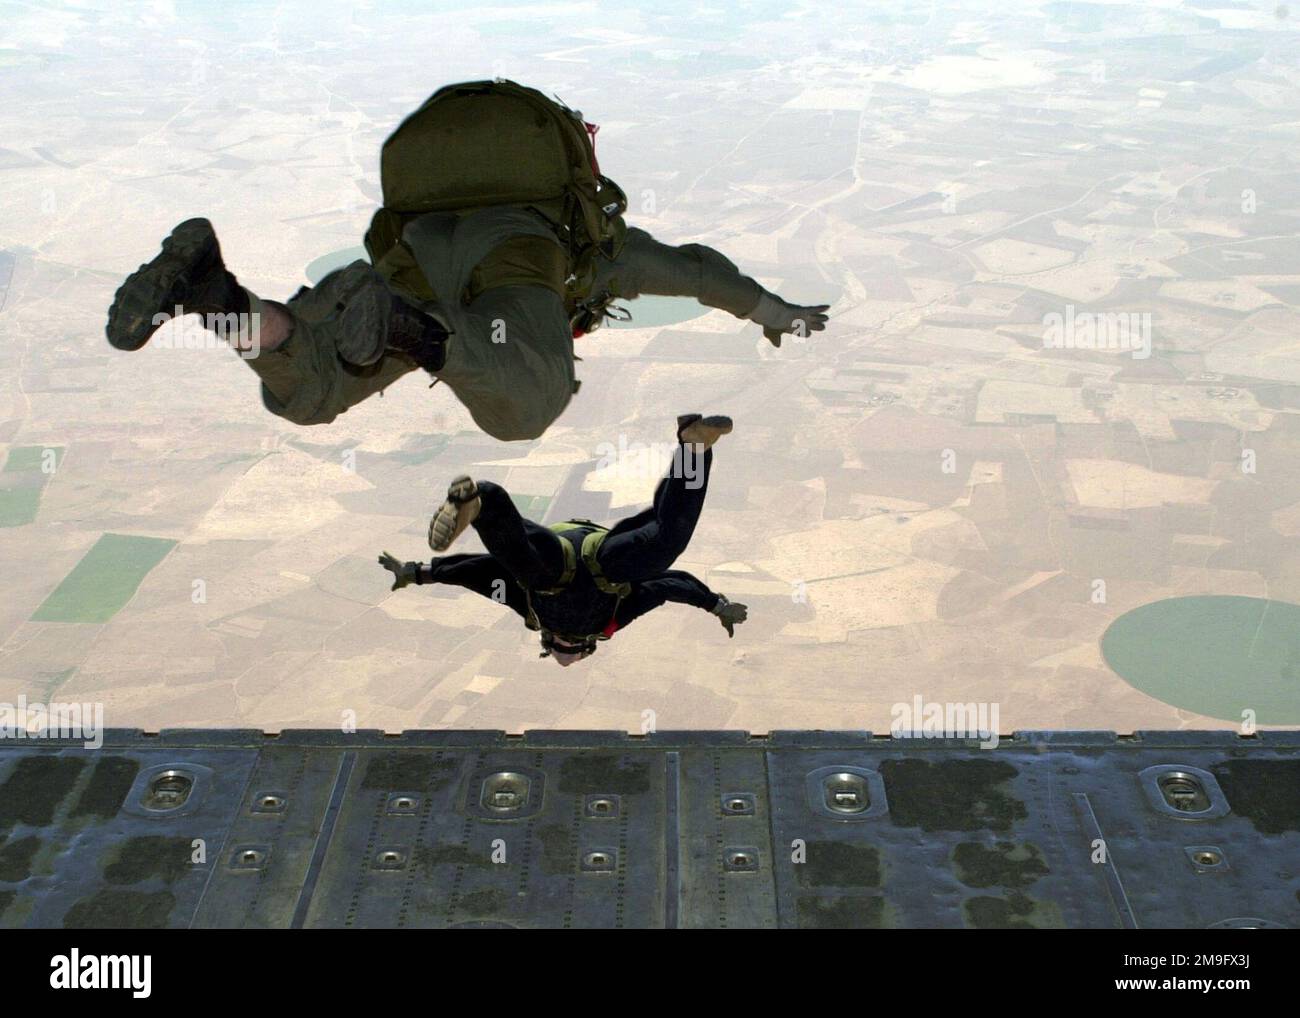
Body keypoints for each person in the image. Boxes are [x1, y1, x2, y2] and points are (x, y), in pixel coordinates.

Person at [105, 81, 830, 442]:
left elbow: (700, 271)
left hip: (409, 256)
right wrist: (778, 316)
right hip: (480, 271)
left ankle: (215, 295)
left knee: (311, 391)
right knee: (524, 407)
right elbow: (698, 273)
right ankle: (411, 326)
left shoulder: (567, 240)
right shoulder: (596, 253)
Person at [378, 414, 748, 665]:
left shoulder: (533, 611)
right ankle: (694, 449)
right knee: (668, 541)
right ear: (591, 644)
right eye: (574, 645)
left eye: (560, 643)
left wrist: (422, 572)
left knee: (519, 560)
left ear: (546, 638)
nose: (568, 640)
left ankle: (482, 503)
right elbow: (670, 585)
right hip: (603, 562)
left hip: (557, 566)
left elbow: (481, 572)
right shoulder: (617, 616)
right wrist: (713, 604)